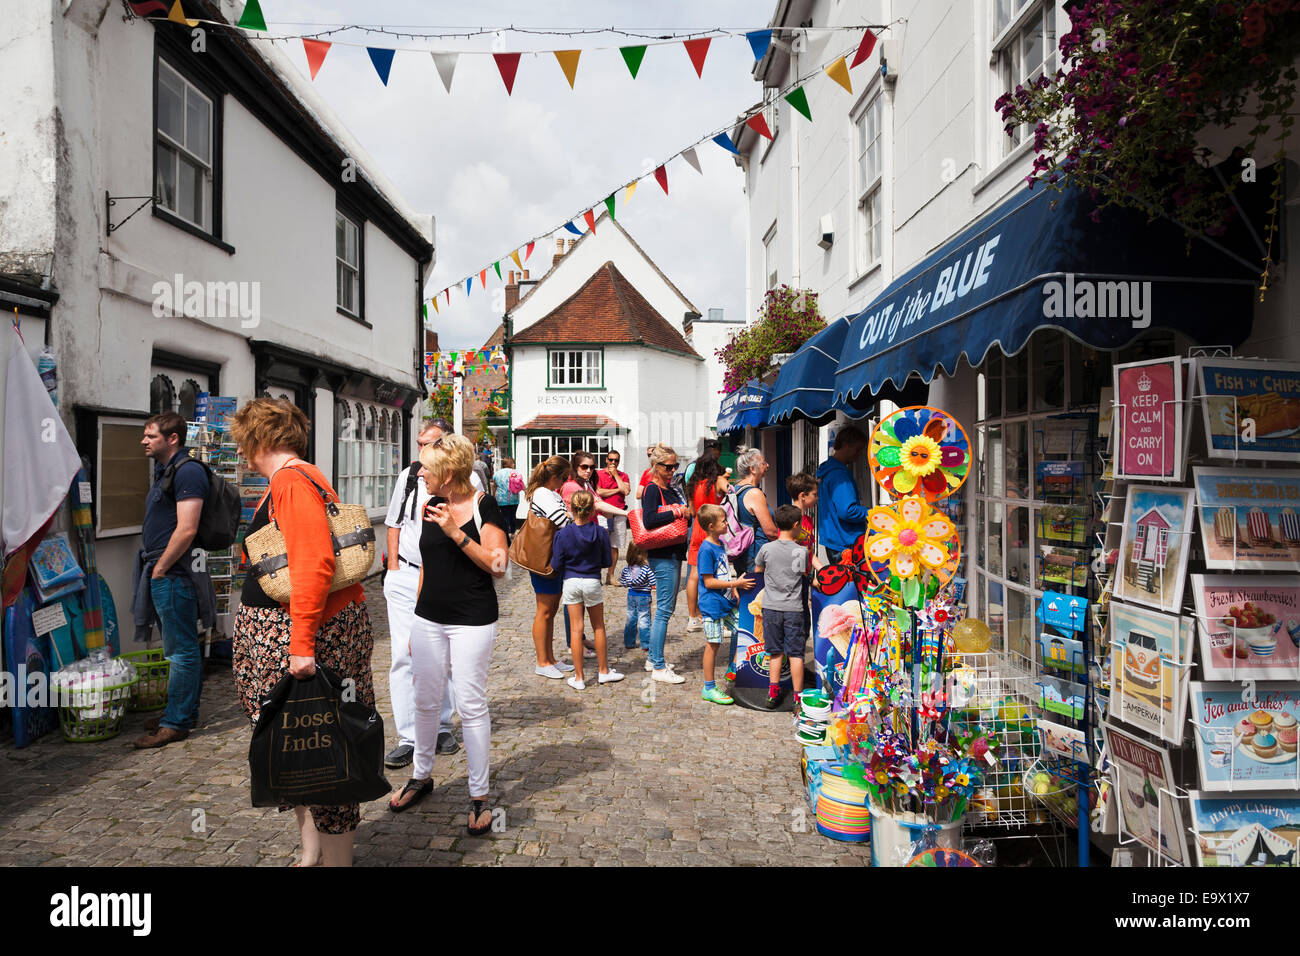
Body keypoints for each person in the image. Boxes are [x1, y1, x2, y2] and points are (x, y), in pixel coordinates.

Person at [230, 398, 375, 866]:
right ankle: (311, 854)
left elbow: (314, 564)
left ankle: (334, 861)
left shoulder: (291, 481)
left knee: (321, 750)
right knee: (298, 747)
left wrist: (300, 646)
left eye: (244, 442)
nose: (242, 452)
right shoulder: (304, 474)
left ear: (260, 438)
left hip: (304, 636)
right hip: (313, 629)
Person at [387, 434, 506, 839]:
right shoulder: (429, 504)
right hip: (428, 618)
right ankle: (421, 776)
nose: (420, 473)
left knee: (470, 704)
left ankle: (478, 796)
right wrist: (415, 621)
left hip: (472, 618)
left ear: (448, 473)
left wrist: (457, 532)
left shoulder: (483, 504)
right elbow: (425, 565)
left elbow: (497, 564)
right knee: (424, 699)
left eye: (427, 467)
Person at [132, 411, 216, 749]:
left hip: (177, 575)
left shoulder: (189, 472)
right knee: (180, 648)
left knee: (180, 651)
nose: (144, 441)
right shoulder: (168, 471)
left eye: (150, 436)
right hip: (168, 572)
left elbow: (187, 528)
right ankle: (181, 711)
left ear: (173, 439)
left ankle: (177, 722)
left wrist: (161, 567)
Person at [382, 421, 461, 772]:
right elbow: (394, 522)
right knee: (403, 655)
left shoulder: (464, 480)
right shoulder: (410, 476)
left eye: (428, 444)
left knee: (438, 653)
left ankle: (442, 726)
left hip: (441, 576)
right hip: (406, 572)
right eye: (419, 445)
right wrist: (394, 568)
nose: (421, 452)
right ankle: (409, 738)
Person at [551, 490, 624, 690]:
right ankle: (603, 671)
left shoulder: (563, 534)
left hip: (571, 581)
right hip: (592, 580)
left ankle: (579, 677)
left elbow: (556, 563)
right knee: (598, 626)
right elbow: (607, 561)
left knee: (576, 629)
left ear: (570, 509)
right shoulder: (600, 532)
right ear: (593, 509)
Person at [524, 456, 578, 679]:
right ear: (554, 477)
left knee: (551, 611)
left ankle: (551, 658)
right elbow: (563, 521)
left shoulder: (550, 493)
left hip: (552, 557)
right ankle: (542, 661)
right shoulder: (543, 494)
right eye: (564, 478)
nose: (565, 482)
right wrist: (574, 516)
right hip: (543, 559)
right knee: (544, 611)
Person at [696, 503, 755, 705]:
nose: (727, 523)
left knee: (743, 630)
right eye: (723, 521)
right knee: (713, 644)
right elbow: (709, 581)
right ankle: (709, 687)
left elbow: (722, 571)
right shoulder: (706, 549)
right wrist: (735, 583)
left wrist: (734, 589)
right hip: (711, 604)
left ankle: (733, 667)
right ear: (711, 526)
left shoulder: (720, 544)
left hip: (725, 600)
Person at [641, 443, 690, 683]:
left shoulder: (667, 487)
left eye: (675, 466)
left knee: (663, 609)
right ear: (656, 465)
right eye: (668, 467)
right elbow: (649, 520)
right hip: (663, 555)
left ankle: (653, 657)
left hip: (672, 552)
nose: (672, 471)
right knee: (664, 610)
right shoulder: (652, 489)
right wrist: (677, 513)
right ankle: (659, 667)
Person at [755, 505, 811, 708]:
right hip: (794, 608)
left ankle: (773, 692)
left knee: (774, 652)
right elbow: (803, 574)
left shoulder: (766, 549)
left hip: (771, 607)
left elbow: (758, 570)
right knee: (796, 653)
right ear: (796, 525)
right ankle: (798, 697)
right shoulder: (802, 551)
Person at [684, 451, 729, 633]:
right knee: (715, 574)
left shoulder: (694, 485)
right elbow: (730, 491)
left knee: (694, 574)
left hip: (697, 528)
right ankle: (715, 614)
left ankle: (693, 616)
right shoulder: (716, 482)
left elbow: (693, 512)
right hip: (711, 530)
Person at [815, 426, 870, 562]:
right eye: (857, 449)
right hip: (846, 542)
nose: (859, 454)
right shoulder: (839, 475)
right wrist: (873, 513)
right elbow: (847, 511)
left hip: (835, 540)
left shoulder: (827, 470)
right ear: (845, 445)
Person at [596, 449, 631, 584]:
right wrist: (618, 489)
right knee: (598, 545)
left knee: (614, 546)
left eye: (616, 460)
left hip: (619, 513)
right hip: (602, 515)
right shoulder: (598, 474)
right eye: (611, 459)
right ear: (606, 460)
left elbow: (626, 491)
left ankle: (610, 575)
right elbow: (599, 492)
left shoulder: (623, 475)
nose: (613, 462)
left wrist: (616, 476)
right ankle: (597, 574)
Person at [619, 541, 654, 655]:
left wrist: (630, 582)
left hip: (631, 595)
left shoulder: (626, 569)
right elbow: (653, 582)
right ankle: (646, 644)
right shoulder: (646, 569)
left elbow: (623, 583)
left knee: (631, 619)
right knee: (644, 619)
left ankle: (629, 642)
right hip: (644, 596)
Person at [492, 456, 522, 539]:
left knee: (505, 516)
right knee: (513, 516)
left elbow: (494, 486)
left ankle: (506, 533)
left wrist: (493, 495)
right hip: (514, 498)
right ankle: (512, 532)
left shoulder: (497, 473)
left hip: (501, 499)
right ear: (511, 464)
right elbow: (521, 484)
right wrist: (526, 492)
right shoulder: (515, 473)